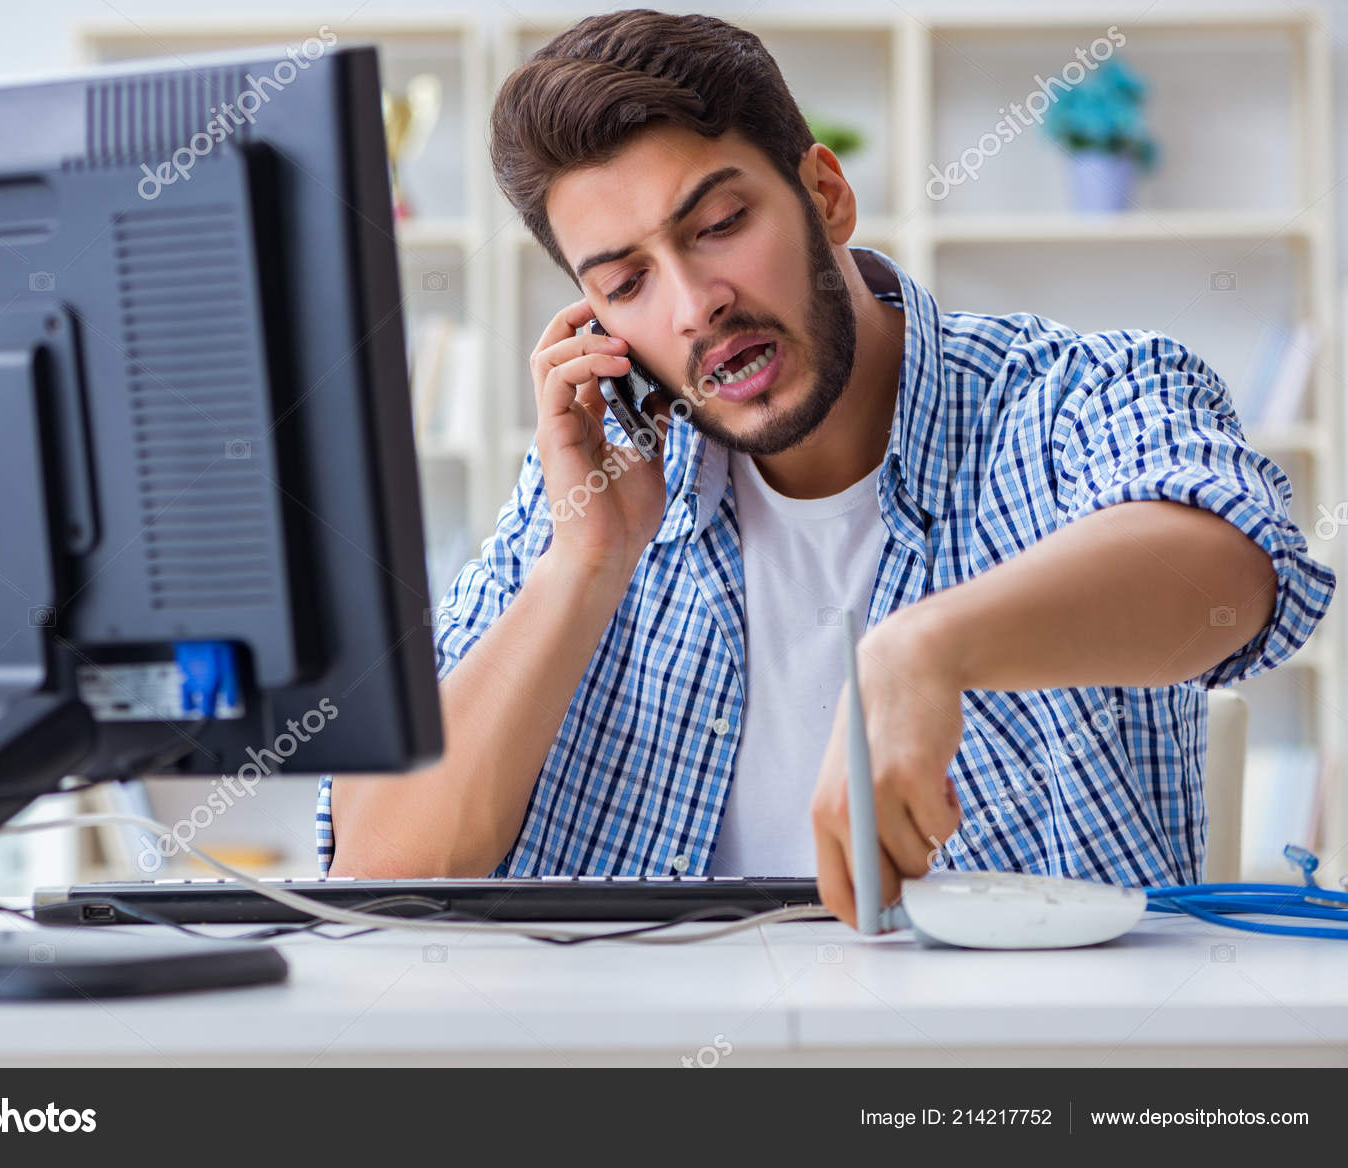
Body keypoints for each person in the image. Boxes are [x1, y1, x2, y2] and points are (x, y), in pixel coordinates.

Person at [318, 10, 1334, 928]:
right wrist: (584, 565)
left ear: (826, 194)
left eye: (718, 227)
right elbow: (376, 872)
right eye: (626, 281)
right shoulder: (585, 493)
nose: (691, 305)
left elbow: (1235, 573)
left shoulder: (1071, 392)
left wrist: (926, 651)